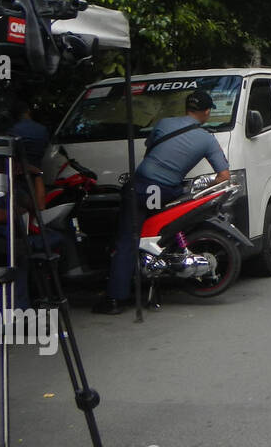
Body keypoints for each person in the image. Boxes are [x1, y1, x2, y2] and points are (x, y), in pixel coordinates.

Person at [96, 89, 229, 315]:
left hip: (140, 187)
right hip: (166, 191)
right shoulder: (207, 139)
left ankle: (115, 300)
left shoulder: (164, 123)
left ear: (187, 108)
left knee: (127, 240)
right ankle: (157, 266)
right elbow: (223, 176)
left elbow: (151, 154)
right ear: (206, 112)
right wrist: (203, 188)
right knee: (160, 229)